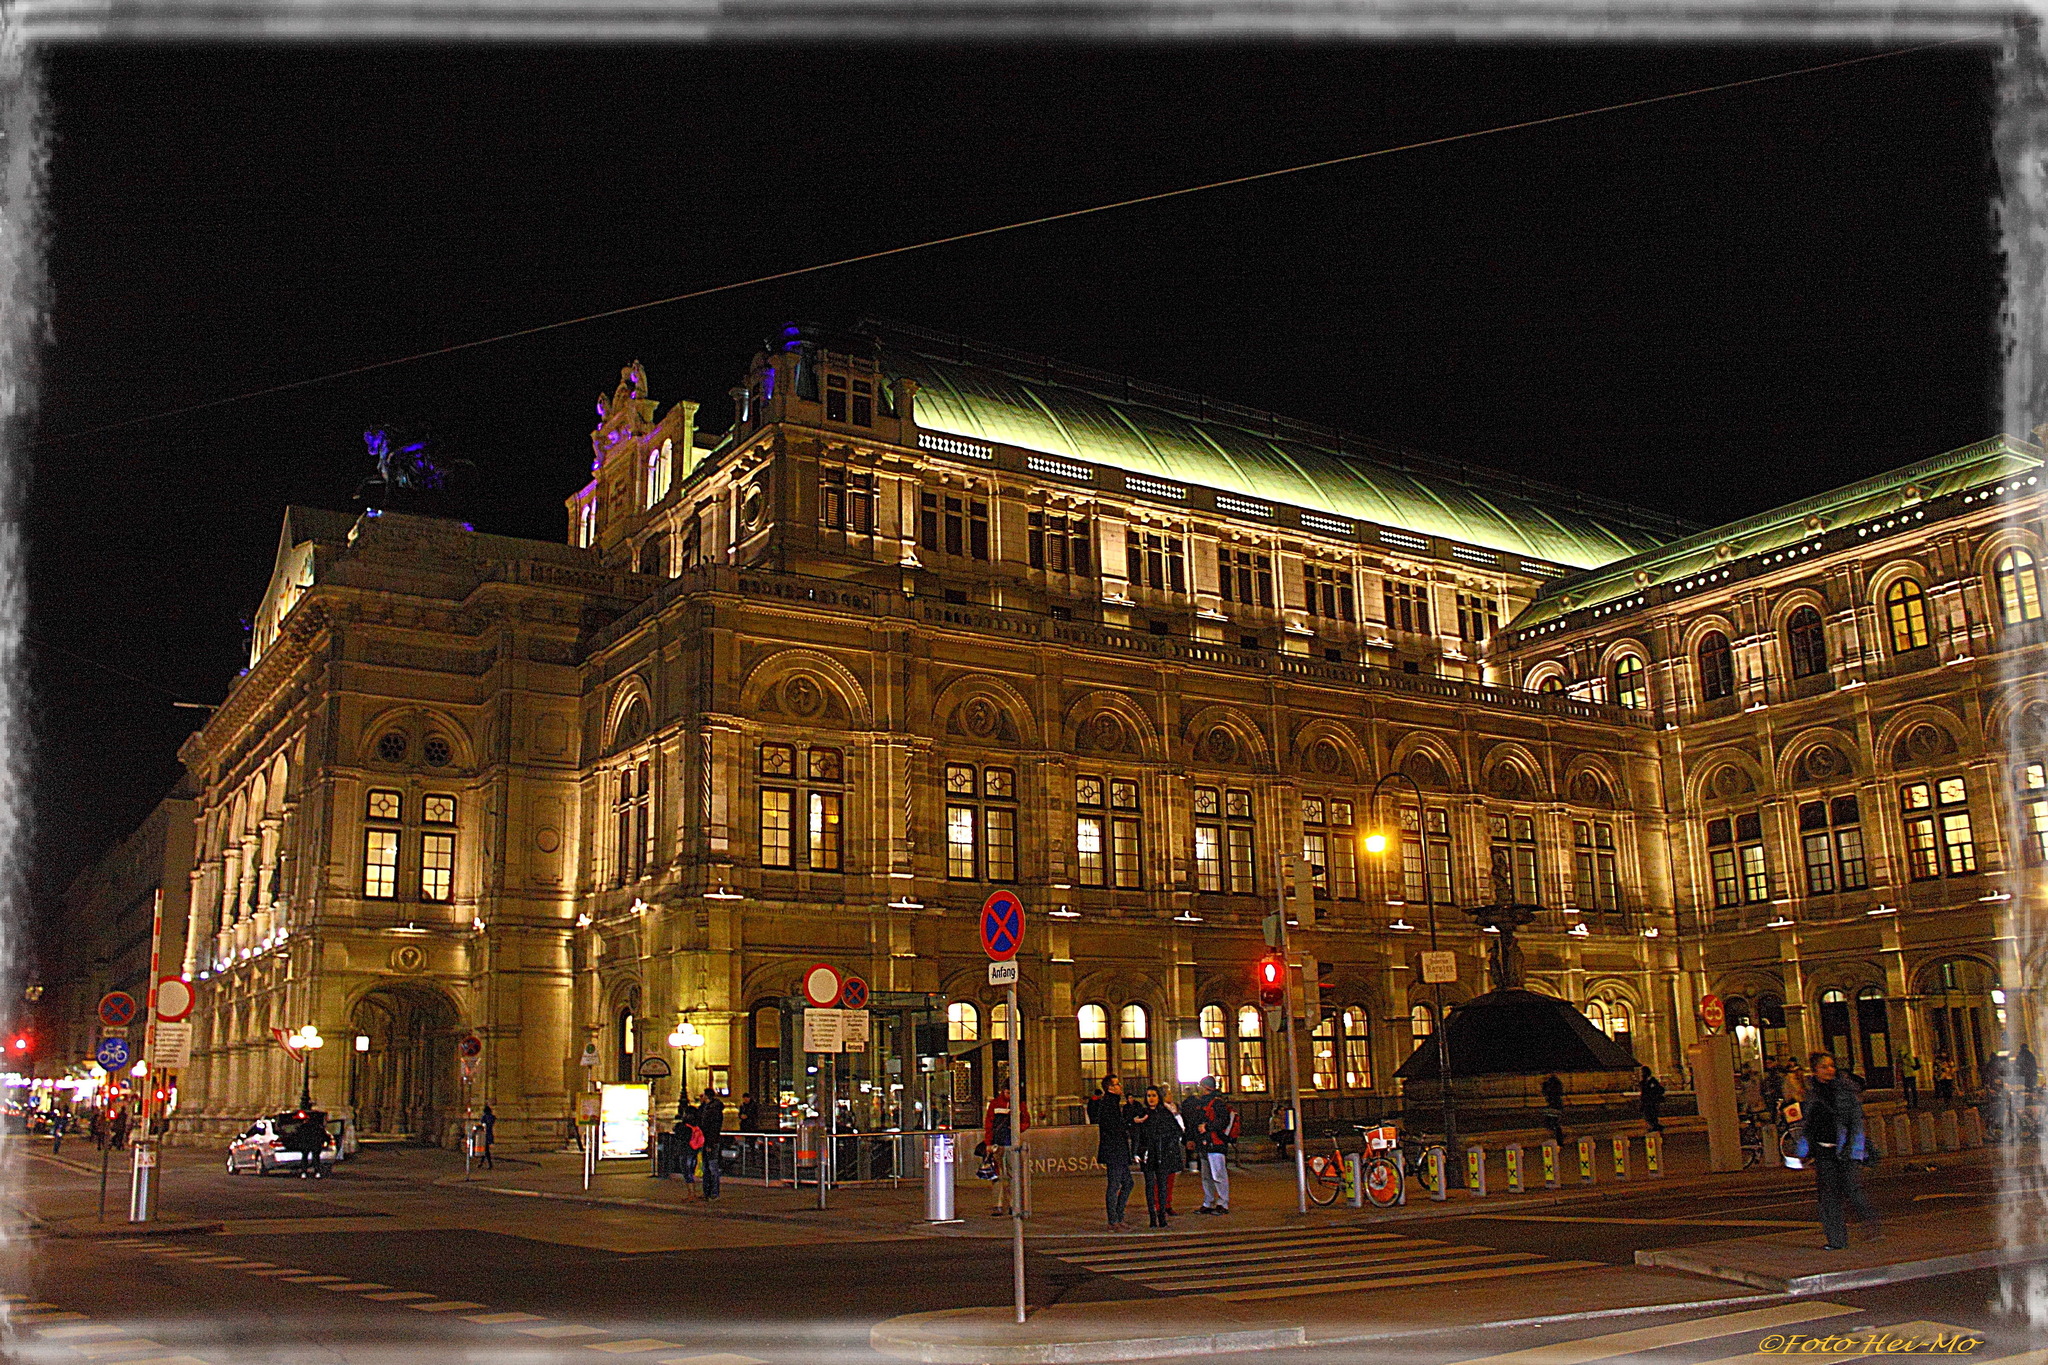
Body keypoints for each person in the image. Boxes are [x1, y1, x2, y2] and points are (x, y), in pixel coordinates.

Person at [1805, 1051, 1877, 1250]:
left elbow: (1856, 1123)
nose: (1830, 1070)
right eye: (1824, 1067)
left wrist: (1854, 1150)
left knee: (1852, 1191)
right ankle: (1836, 1241)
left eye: (1831, 1066)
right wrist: (1806, 1149)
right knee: (1828, 1197)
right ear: (1815, 1070)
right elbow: (1809, 1123)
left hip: (1845, 1151)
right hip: (1824, 1152)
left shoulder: (1844, 1091)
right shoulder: (1812, 1092)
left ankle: (1870, 1222)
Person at [1087, 1074, 1136, 1231]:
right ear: (1110, 1088)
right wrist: (1130, 1123)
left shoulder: (1113, 1103)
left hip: (1117, 1150)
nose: (1120, 1086)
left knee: (1127, 1183)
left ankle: (1118, 1216)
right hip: (1114, 1150)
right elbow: (1113, 1127)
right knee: (1115, 1184)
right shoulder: (1108, 1104)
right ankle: (1113, 1220)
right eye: (1117, 1084)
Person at [1132, 1084, 1184, 1229]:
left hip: (1162, 1153)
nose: (1151, 1099)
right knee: (1149, 1185)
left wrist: (1167, 1144)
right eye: (1149, 1096)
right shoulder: (1143, 1113)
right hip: (1148, 1154)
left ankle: (1162, 1215)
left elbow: (1176, 1131)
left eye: (1154, 1095)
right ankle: (1152, 1216)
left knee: (1162, 1185)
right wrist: (1137, 1152)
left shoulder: (1165, 1113)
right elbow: (1138, 1134)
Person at [1186, 1076, 1235, 1214]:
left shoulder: (1217, 1103)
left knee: (1218, 1174)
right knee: (1206, 1175)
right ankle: (1208, 1201)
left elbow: (1223, 1121)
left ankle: (1222, 1203)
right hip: (1205, 1144)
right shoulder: (1203, 1102)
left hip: (1216, 1143)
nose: (1199, 1088)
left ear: (1206, 1087)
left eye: (1201, 1086)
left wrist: (1207, 1127)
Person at [981, 1084, 1028, 1217]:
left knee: (1012, 1175)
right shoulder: (996, 1104)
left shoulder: (1019, 1104)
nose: (1009, 1095)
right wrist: (988, 1143)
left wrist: (1017, 1128)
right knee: (998, 1175)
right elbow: (989, 1125)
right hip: (999, 1144)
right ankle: (998, 1205)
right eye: (1007, 1092)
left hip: (1011, 1144)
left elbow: (1026, 1121)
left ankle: (1013, 1204)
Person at [697, 1088, 724, 1199]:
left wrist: (710, 1144)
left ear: (707, 1096)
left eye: (702, 1095)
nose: (700, 1097)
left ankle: (714, 1192)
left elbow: (713, 1128)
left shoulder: (714, 1110)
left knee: (712, 1167)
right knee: (705, 1168)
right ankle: (706, 1192)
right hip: (705, 1141)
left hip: (711, 1142)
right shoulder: (704, 1108)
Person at [294, 1110, 329, 1179]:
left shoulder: (303, 1127)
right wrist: (324, 1143)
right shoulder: (318, 1127)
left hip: (306, 1144)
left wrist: (299, 1144)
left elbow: (297, 1136)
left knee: (305, 1158)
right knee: (316, 1158)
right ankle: (317, 1172)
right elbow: (324, 1136)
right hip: (315, 1144)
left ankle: (304, 1172)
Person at [1540, 1074, 1566, 1146]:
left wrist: (1544, 1085)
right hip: (1555, 1104)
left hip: (1554, 1104)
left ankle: (1558, 1140)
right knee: (1554, 1123)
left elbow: (1546, 1093)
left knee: (1553, 1122)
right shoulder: (1555, 1084)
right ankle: (1558, 1140)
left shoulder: (1552, 1085)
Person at [1639, 1066, 1667, 1133]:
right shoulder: (1643, 1082)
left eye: (1642, 1072)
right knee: (1647, 1115)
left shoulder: (1653, 1081)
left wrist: (1653, 1095)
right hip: (1646, 1102)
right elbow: (1643, 1093)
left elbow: (1659, 1089)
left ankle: (1655, 1127)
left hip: (1652, 1101)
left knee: (1652, 1115)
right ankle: (1654, 1126)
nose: (1641, 1074)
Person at [477, 1104, 496, 1170]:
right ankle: (483, 1163)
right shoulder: (492, 1117)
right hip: (489, 1134)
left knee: (486, 1150)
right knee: (486, 1150)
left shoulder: (484, 1117)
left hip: (484, 1134)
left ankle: (487, 1164)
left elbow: (482, 1124)